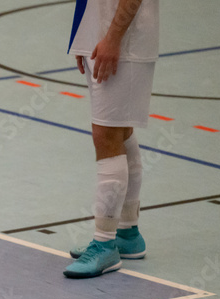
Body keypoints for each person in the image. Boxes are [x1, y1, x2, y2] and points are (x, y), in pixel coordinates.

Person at [64, 0, 159, 278]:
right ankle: (127, 234)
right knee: (121, 132)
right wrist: (84, 39)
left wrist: (112, 39)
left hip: (122, 43)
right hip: (102, 38)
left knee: (106, 137)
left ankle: (104, 243)